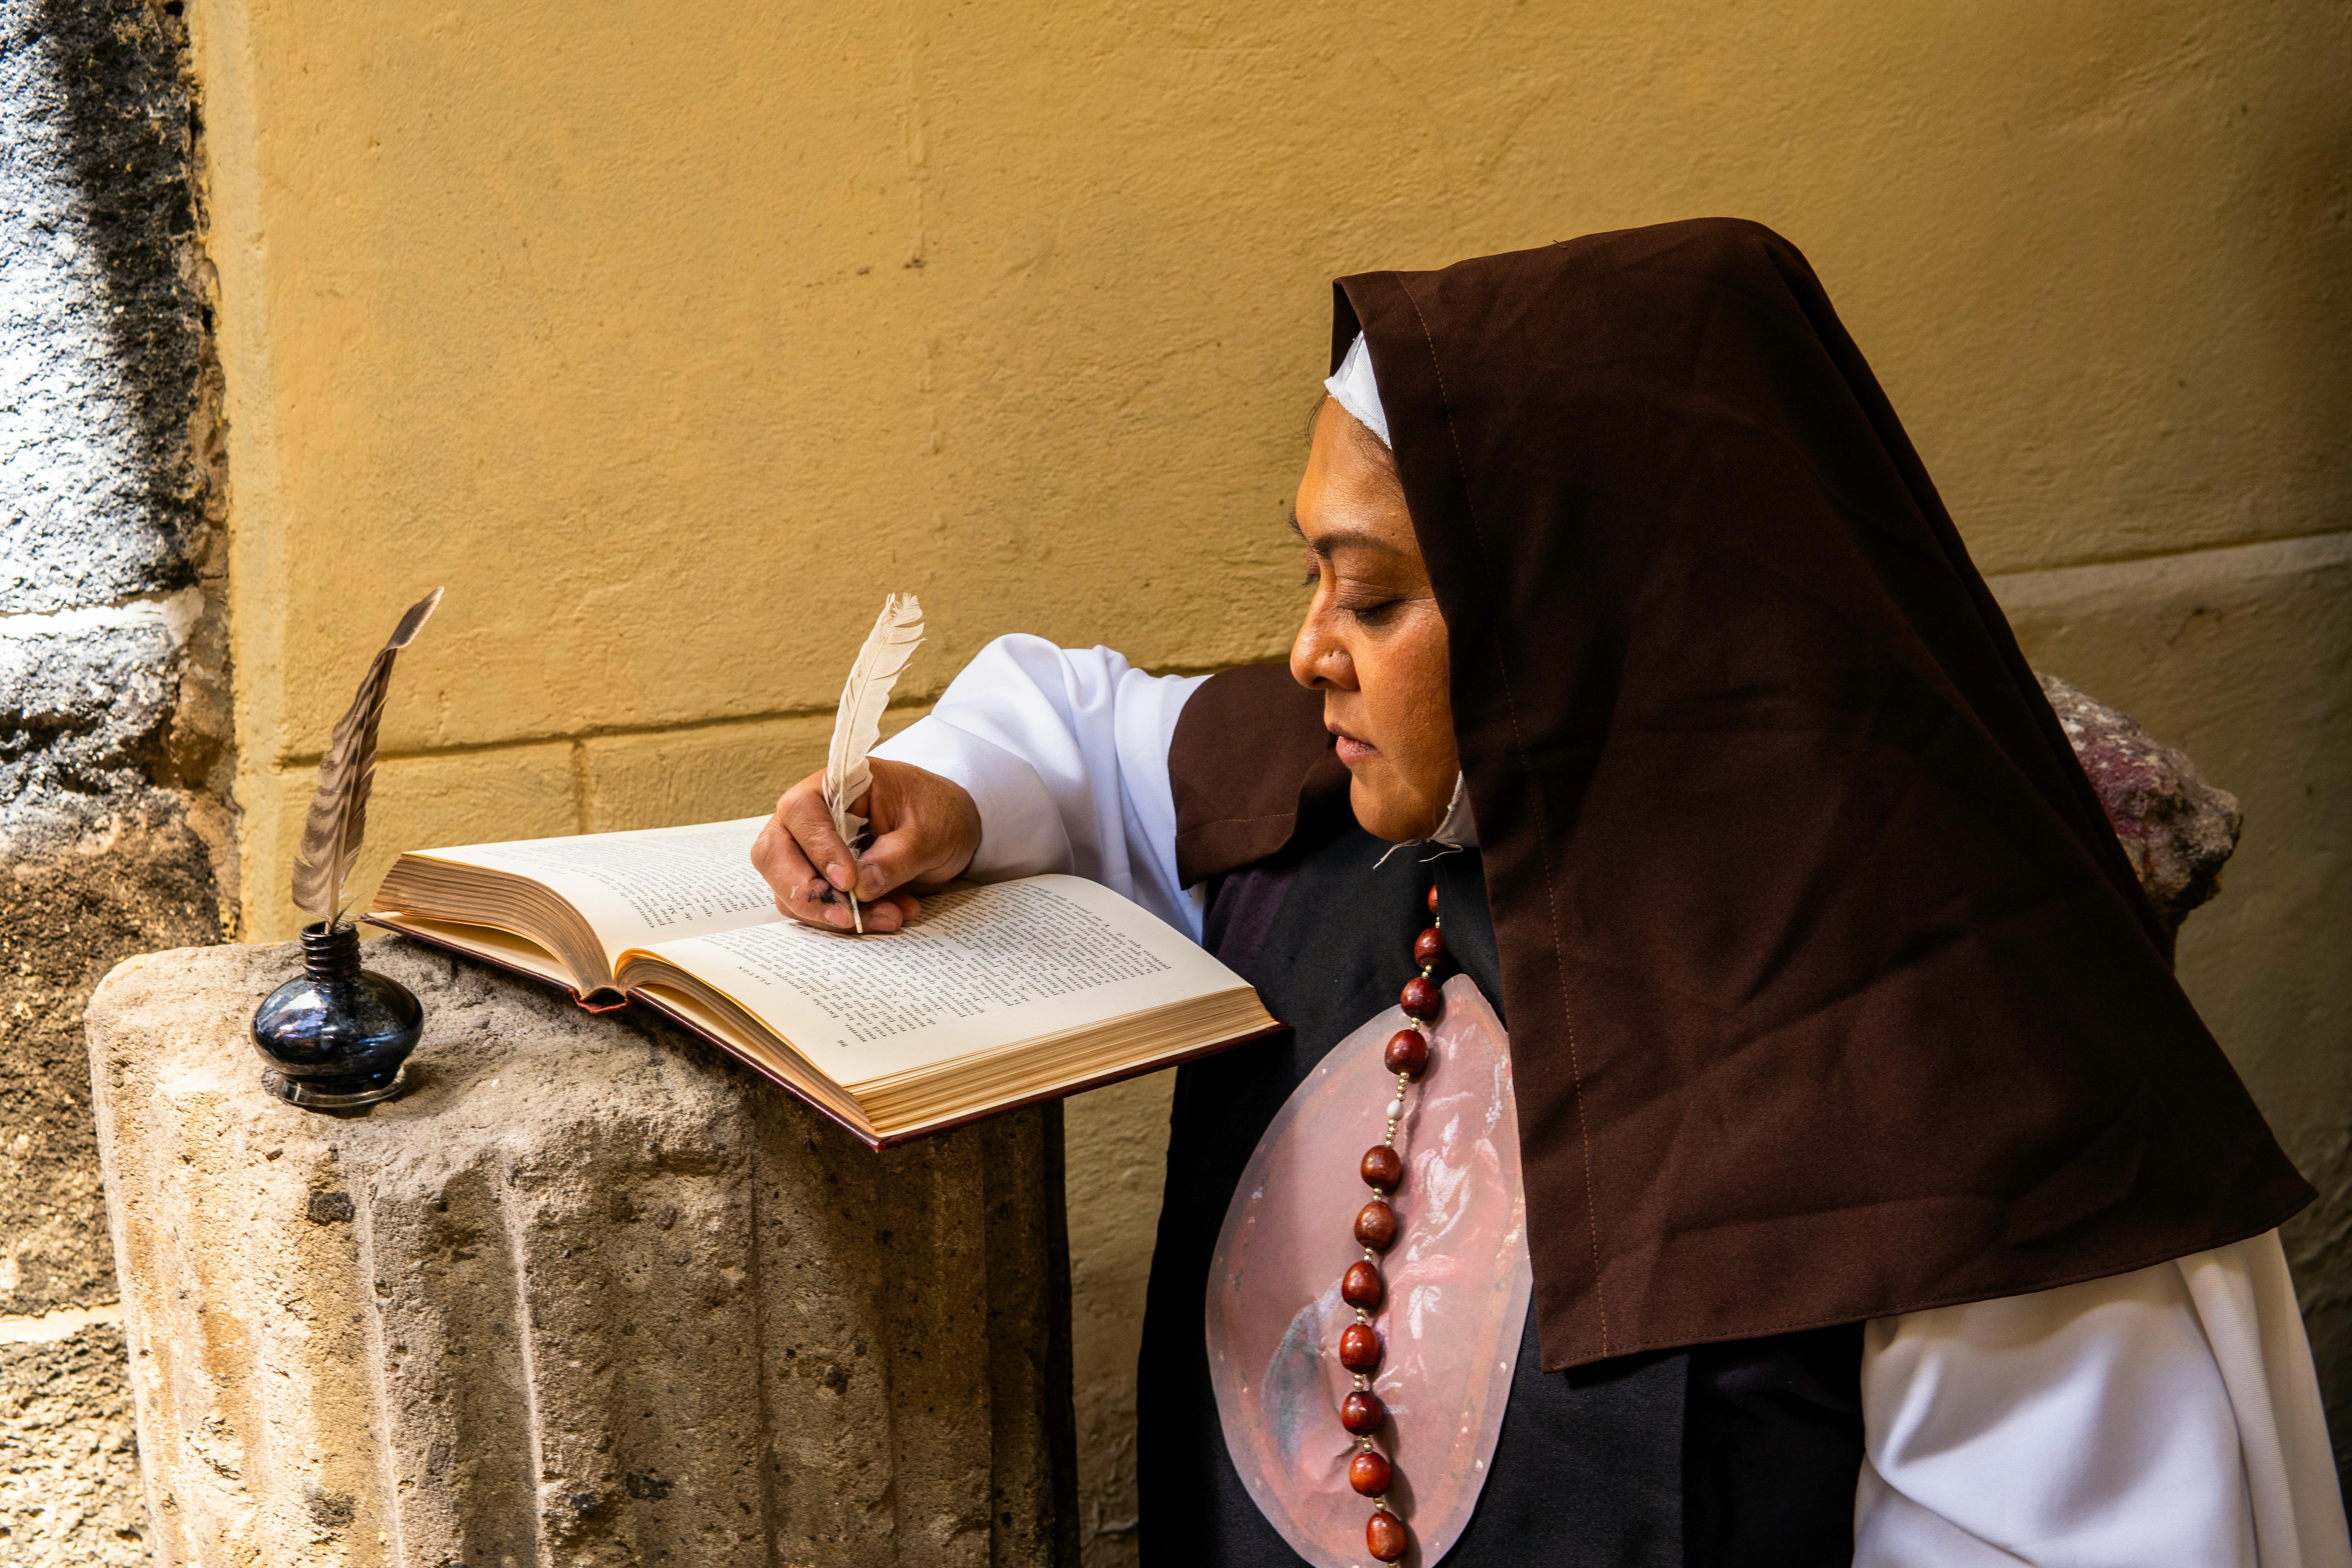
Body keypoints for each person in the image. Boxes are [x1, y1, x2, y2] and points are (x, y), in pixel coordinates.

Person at [750, 219, 2350, 1566]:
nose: (1311, 647)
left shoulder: (1961, 1078)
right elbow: (1084, 727)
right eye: (1315, 576)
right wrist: (946, 792)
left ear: (1571, 619)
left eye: (1369, 593)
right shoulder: (1362, 789)